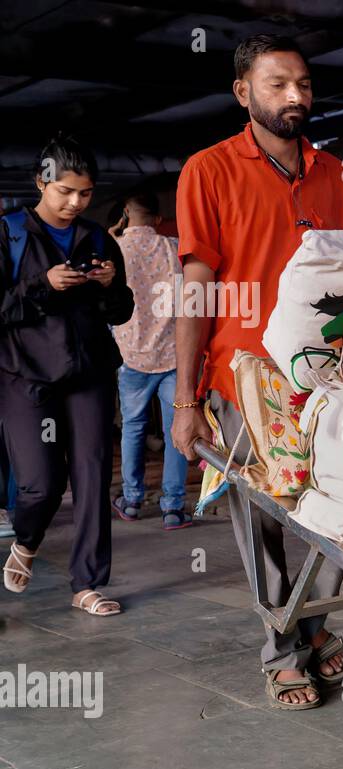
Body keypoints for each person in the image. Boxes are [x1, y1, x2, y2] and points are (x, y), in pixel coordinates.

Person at [171, 34, 343, 710]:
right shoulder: (209, 169)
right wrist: (185, 397)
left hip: (327, 380)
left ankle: (312, 626)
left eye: (304, 85)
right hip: (241, 377)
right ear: (242, 92)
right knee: (260, 518)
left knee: (339, 507)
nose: (295, 97)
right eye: (278, 83)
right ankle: (280, 646)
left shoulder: (337, 173)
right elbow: (197, 284)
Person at [0, 135, 134, 614]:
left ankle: (88, 583)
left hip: (90, 374)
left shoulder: (98, 238)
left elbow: (120, 313)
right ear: (42, 183)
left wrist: (110, 286)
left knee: (94, 474)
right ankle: (27, 542)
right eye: (66, 192)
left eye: (85, 193)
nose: (76, 203)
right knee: (39, 483)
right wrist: (44, 284)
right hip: (27, 377)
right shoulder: (10, 233)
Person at [109, 192, 192, 529]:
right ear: (158, 219)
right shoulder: (174, 247)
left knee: (133, 427)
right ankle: (173, 507)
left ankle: (131, 500)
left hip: (132, 355)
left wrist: (113, 232)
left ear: (126, 214)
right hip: (175, 355)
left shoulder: (115, 249)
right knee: (178, 430)